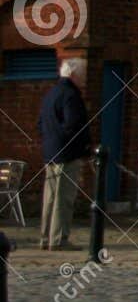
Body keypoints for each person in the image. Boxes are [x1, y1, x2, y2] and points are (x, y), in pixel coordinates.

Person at [37, 54, 92, 251]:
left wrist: (51, 141)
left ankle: (45, 237)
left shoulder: (50, 94)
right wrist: (83, 146)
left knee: (50, 198)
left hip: (50, 151)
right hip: (67, 153)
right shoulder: (71, 95)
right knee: (64, 198)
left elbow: (41, 124)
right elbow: (73, 124)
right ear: (74, 74)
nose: (85, 78)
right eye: (83, 73)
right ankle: (59, 239)